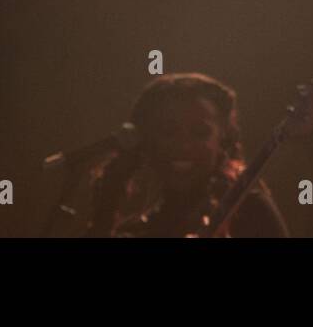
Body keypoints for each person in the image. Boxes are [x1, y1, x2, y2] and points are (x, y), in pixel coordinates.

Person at [86, 72, 289, 238]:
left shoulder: (249, 209)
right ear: (145, 141)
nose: (184, 145)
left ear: (222, 142)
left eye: (200, 133)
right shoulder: (137, 227)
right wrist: (105, 211)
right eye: (168, 132)